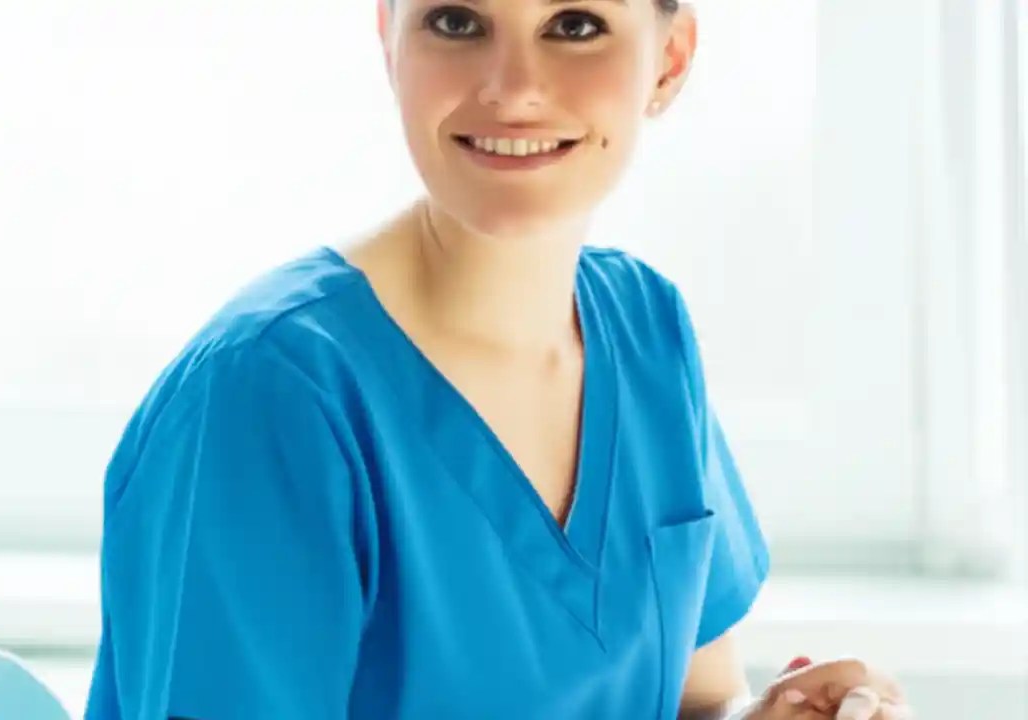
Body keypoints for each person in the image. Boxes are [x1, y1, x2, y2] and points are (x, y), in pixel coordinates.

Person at [84, 0, 911, 717]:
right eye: (456, 22)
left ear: (669, 60)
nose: (512, 89)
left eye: (575, 25)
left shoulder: (647, 333)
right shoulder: (269, 397)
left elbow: (695, 699)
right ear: (390, 40)